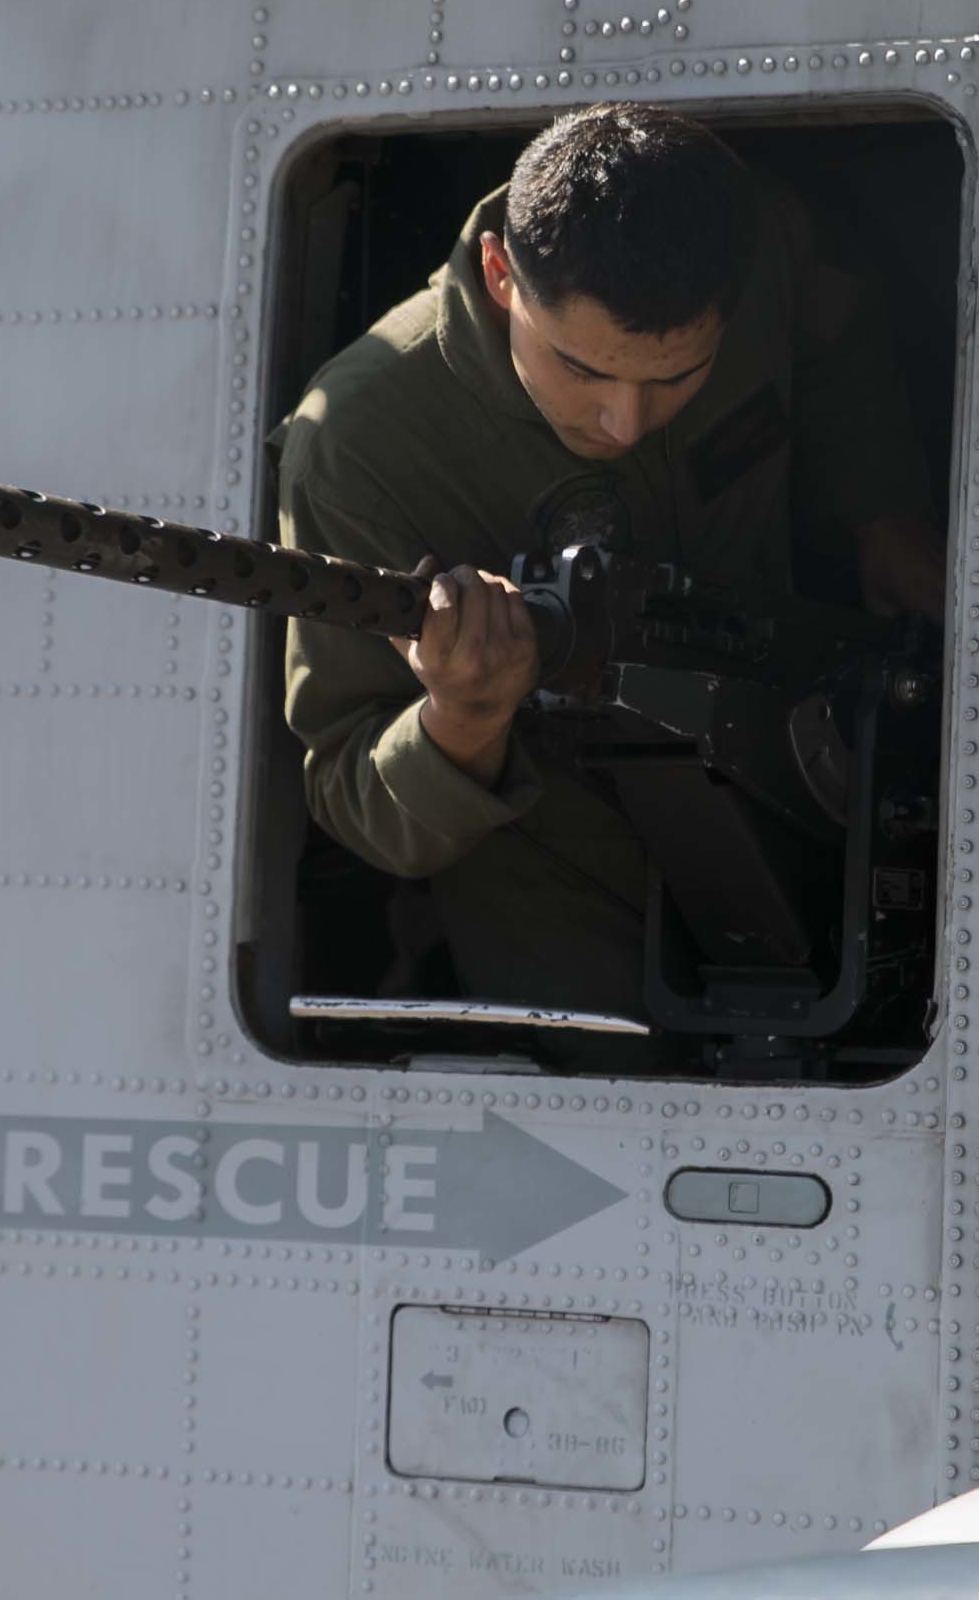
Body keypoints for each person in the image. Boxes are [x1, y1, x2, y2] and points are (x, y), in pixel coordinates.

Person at [270, 103, 941, 1013]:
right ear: (503, 275)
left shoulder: (762, 240)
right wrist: (462, 722)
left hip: (818, 794)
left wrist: (883, 505)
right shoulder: (357, 446)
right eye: (583, 371)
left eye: (677, 379)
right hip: (578, 922)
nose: (624, 423)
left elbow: (837, 329)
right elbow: (354, 799)